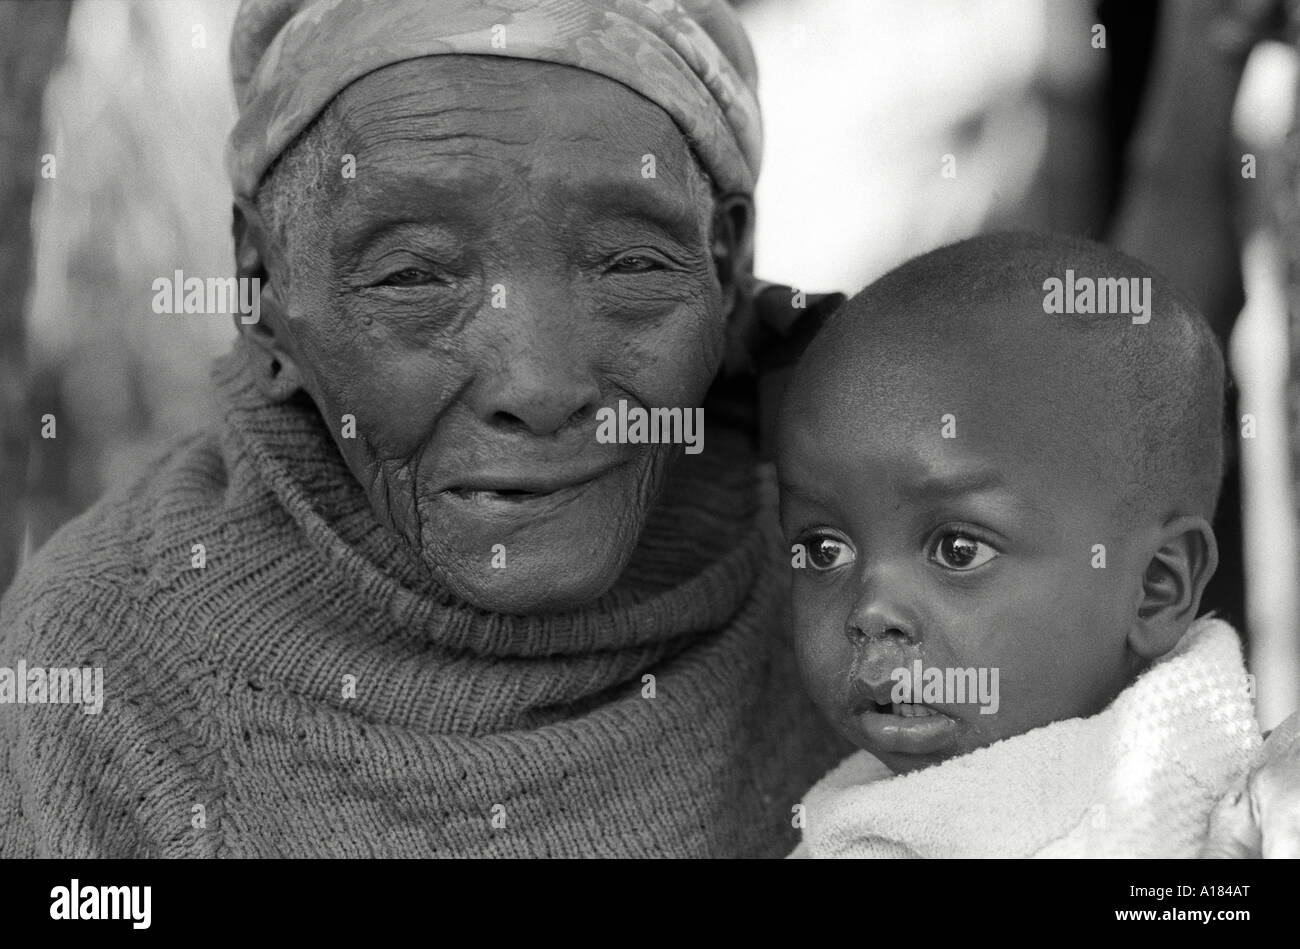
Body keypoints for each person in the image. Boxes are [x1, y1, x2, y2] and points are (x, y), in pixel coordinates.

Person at [778, 232, 1263, 857]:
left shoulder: (1214, 829)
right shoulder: (882, 812)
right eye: (824, 550)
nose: (870, 613)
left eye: (958, 549)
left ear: (1154, 589)